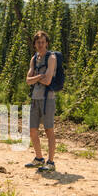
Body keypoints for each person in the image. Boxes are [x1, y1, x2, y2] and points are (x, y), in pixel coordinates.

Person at [24, 30, 58, 172]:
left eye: (43, 42)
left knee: (49, 130)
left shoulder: (51, 58)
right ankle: (39, 158)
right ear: (35, 44)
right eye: (38, 42)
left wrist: (36, 78)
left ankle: (51, 162)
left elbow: (48, 80)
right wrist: (39, 77)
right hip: (35, 98)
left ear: (47, 43)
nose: (40, 45)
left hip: (47, 99)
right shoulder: (34, 59)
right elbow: (28, 80)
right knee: (33, 131)